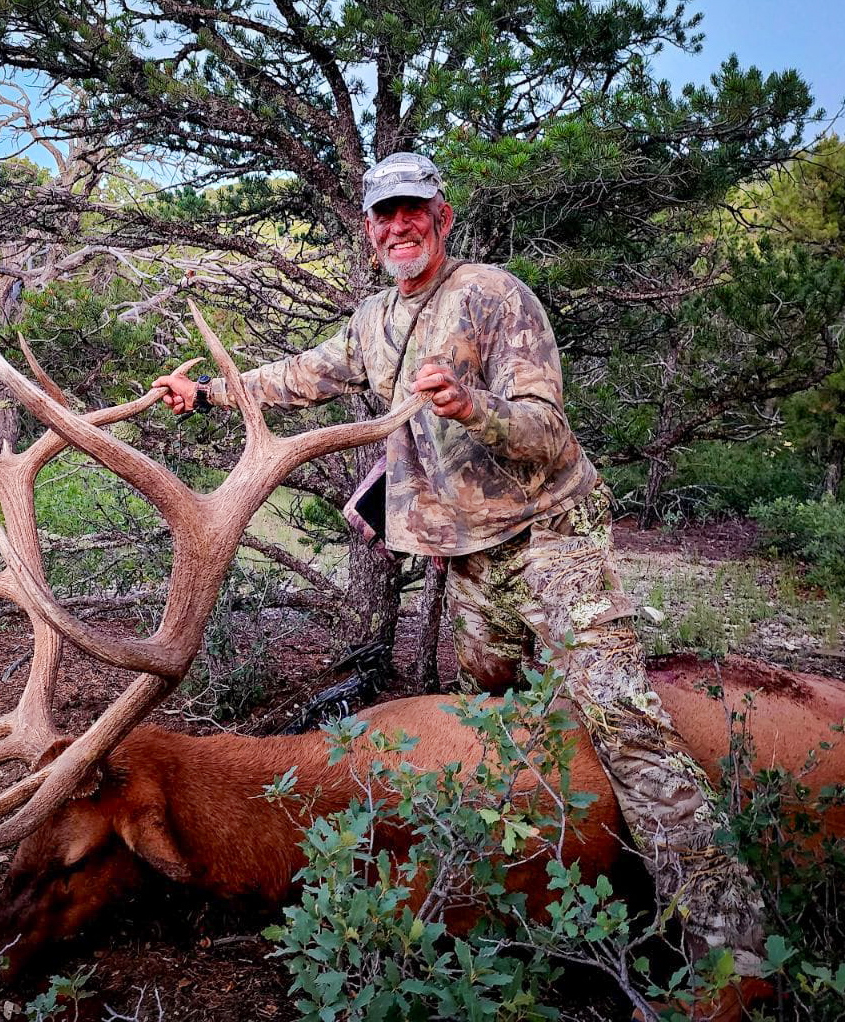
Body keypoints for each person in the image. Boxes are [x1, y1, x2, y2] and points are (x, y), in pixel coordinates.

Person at [154, 153, 768, 1014]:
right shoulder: (374, 319)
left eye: (413, 211)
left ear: (442, 217)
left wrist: (472, 406)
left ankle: (735, 952)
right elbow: (297, 376)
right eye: (383, 215)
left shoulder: (493, 295)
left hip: (552, 541)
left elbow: (551, 434)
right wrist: (207, 391)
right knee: (498, 715)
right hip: (475, 566)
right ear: (368, 229)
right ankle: (544, 882)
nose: (398, 226)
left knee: (628, 728)